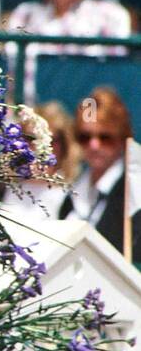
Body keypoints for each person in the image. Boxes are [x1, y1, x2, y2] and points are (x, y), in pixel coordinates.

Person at [59, 88, 140, 257]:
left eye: (105, 137)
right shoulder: (72, 193)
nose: (94, 146)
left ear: (121, 139)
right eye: (85, 137)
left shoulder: (133, 194)